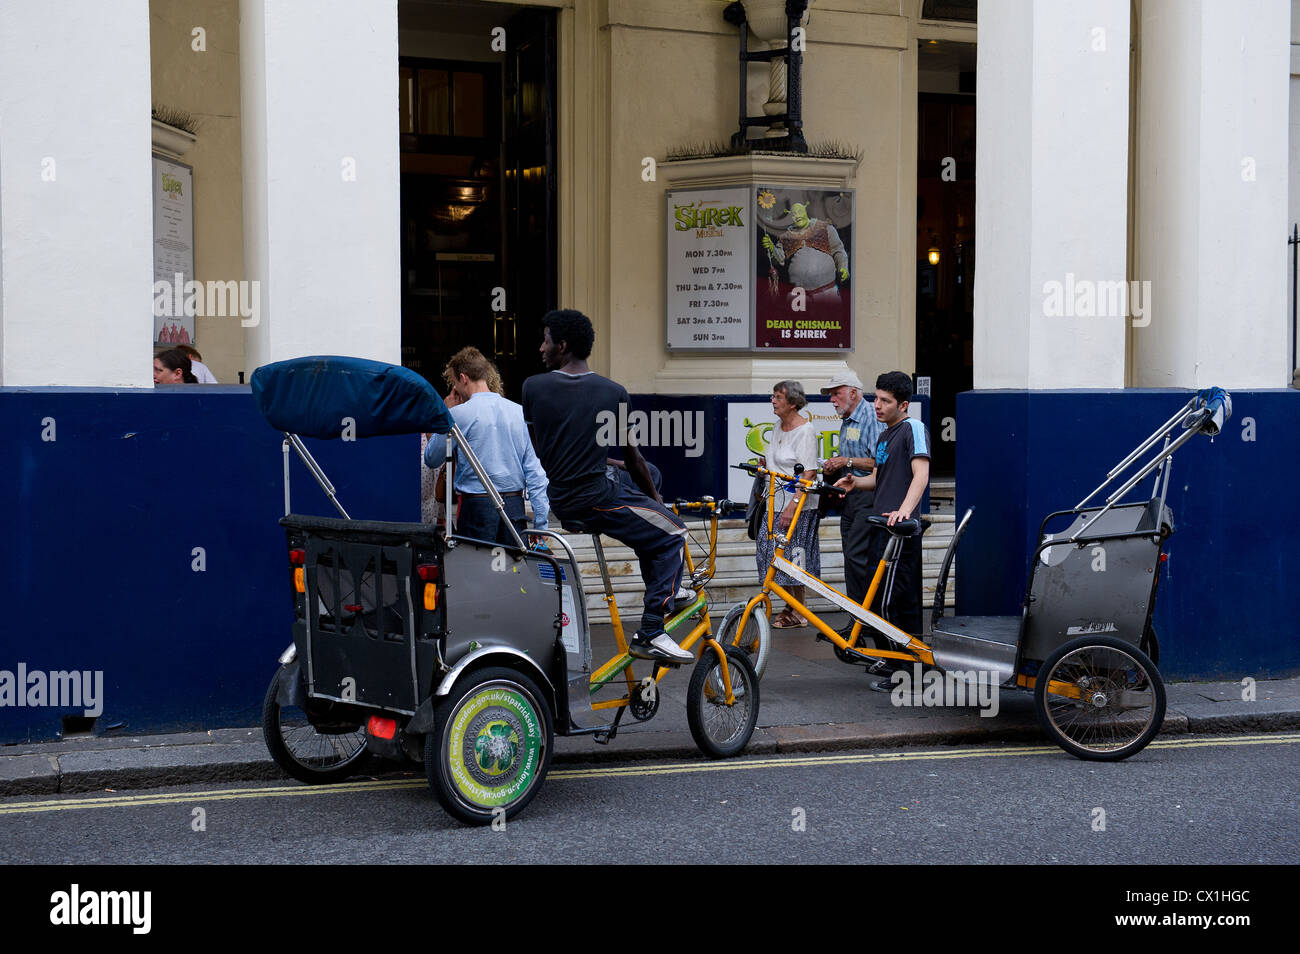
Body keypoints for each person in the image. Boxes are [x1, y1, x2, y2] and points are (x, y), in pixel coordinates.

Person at [522, 309, 693, 665]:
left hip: (563, 494)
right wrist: (658, 502)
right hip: (593, 497)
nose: (542, 347)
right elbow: (632, 457)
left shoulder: (533, 387)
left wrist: (637, 483)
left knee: (653, 477)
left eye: (546, 340)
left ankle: (670, 590)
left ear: (563, 346)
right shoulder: (612, 392)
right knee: (674, 531)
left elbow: (544, 451)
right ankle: (651, 629)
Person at [834, 371, 931, 691]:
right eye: (876, 398)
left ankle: (910, 672)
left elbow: (921, 474)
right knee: (878, 601)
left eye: (885, 401)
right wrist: (854, 482)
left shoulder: (912, 428)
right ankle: (893, 660)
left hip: (900, 530)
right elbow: (877, 478)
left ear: (903, 404)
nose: (877, 405)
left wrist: (906, 510)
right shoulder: (885, 435)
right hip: (880, 524)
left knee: (895, 602)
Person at [423, 347, 550, 546]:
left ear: (463, 378)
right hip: (514, 506)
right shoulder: (518, 412)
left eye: (454, 383)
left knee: (475, 572)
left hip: (477, 506)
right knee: (513, 572)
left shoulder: (458, 414)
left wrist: (446, 413)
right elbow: (535, 472)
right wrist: (541, 523)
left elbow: (431, 458)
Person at [819, 370, 885, 653]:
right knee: (852, 557)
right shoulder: (849, 419)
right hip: (851, 493)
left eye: (836, 393)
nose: (832, 400)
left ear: (854, 393)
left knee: (857, 556)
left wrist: (844, 462)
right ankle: (859, 618)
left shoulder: (870, 417)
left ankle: (867, 619)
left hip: (867, 494)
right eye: (831, 395)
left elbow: (878, 462)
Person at [755, 380, 822, 628]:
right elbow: (777, 463)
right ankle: (790, 605)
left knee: (794, 558)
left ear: (792, 403)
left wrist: (792, 507)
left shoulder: (805, 431)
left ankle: (798, 611)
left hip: (798, 507)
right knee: (767, 549)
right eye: (772, 396)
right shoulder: (777, 426)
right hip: (775, 501)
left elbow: (809, 474)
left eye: (778, 397)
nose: (773, 401)